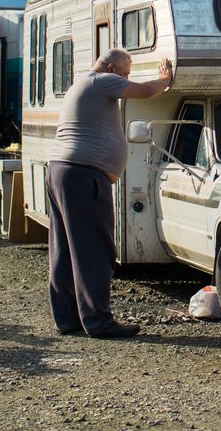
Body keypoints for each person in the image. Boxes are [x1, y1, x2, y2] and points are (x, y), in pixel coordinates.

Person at [46, 48, 173, 338]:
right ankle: (98, 321)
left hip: (62, 171)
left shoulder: (80, 84)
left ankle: (68, 319)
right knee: (93, 249)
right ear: (114, 68)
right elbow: (144, 91)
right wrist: (164, 79)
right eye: (126, 73)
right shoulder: (102, 81)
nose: (125, 80)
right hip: (83, 174)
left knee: (65, 249)